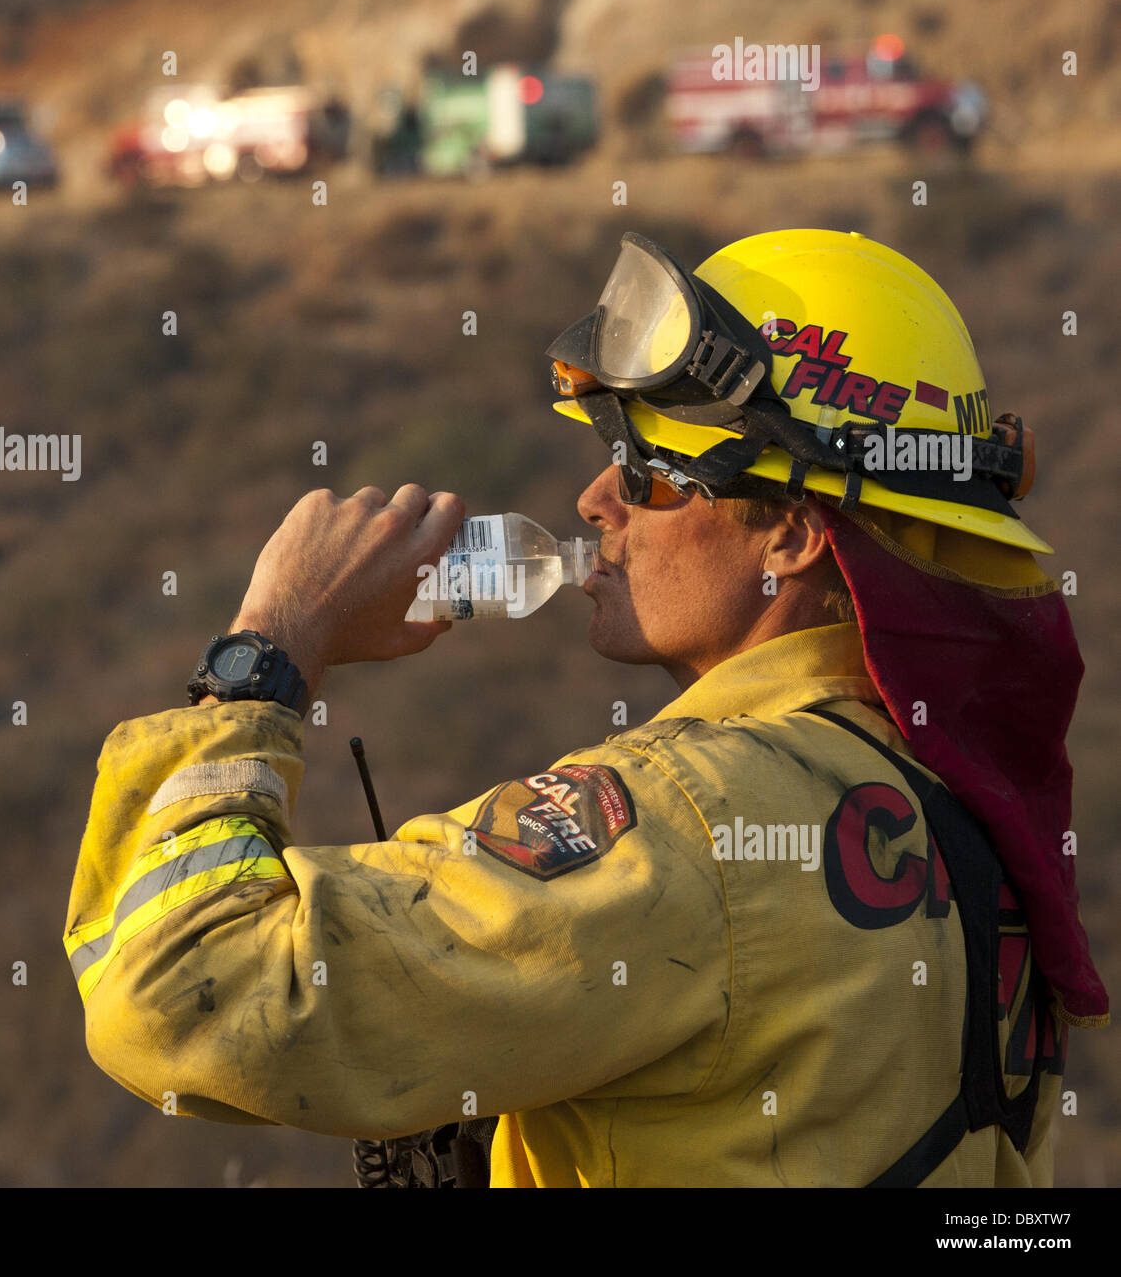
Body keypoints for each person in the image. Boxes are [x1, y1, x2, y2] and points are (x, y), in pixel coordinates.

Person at [64, 229, 1108, 1187]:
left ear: (790, 535)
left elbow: (176, 987)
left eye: (650, 474)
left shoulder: (685, 817)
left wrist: (269, 651)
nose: (594, 502)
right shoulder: (963, 805)